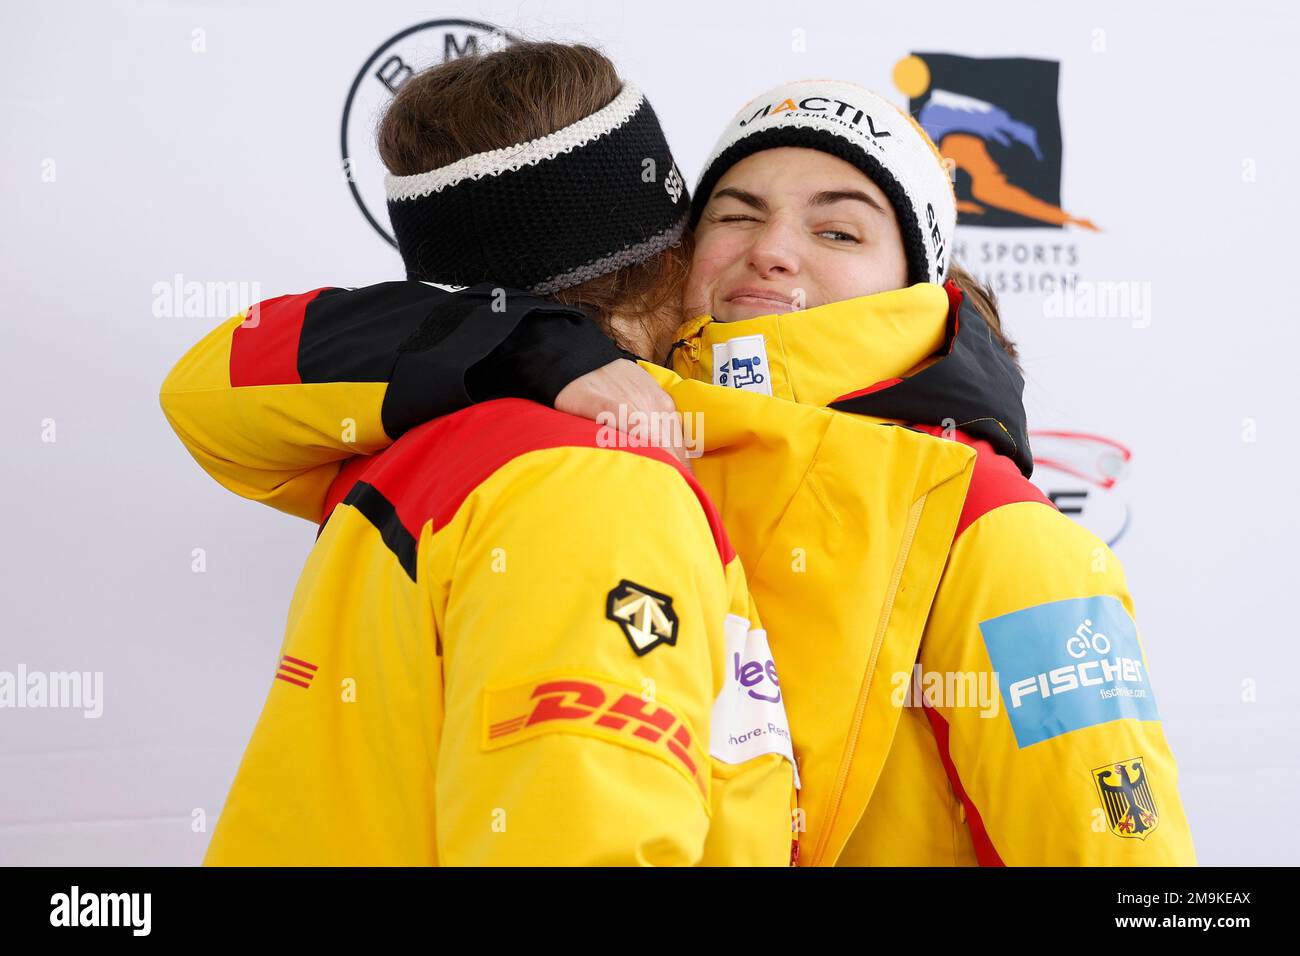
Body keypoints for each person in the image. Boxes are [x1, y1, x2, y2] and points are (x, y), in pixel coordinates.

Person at [163, 52, 1196, 865]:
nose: (773, 249)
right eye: (735, 214)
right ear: (673, 252)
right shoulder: (597, 428)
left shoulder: (995, 525)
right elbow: (218, 390)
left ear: (914, 278)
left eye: (839, 230)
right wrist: (525, 340)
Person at [163, 42, 799, 866]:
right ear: (666, 247)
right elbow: (576, 844)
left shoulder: (414, 441)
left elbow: (215, 390)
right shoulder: (596, 481)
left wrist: (517, 340)